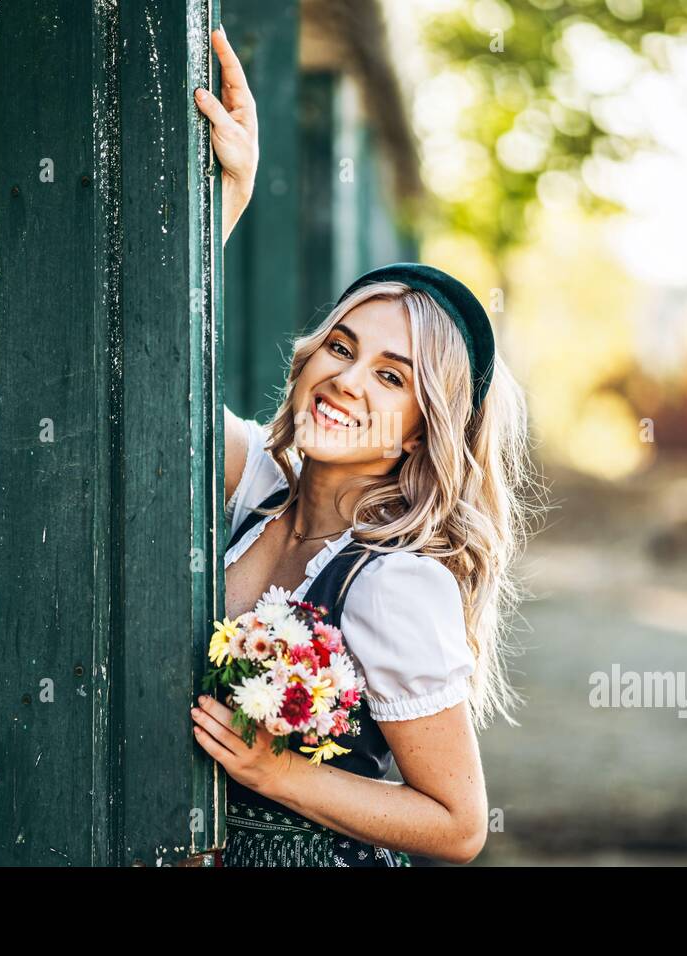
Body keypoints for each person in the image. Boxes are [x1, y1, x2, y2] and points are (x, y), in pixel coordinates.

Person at [189, 26, 542, 866]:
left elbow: (457, 824)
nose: (347, 380)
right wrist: (229, 201)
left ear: (424, 429)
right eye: (341, 347)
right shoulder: (256, 487)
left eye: (392, 376)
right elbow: (159, 381)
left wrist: (280, 775)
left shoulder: (396, 584)